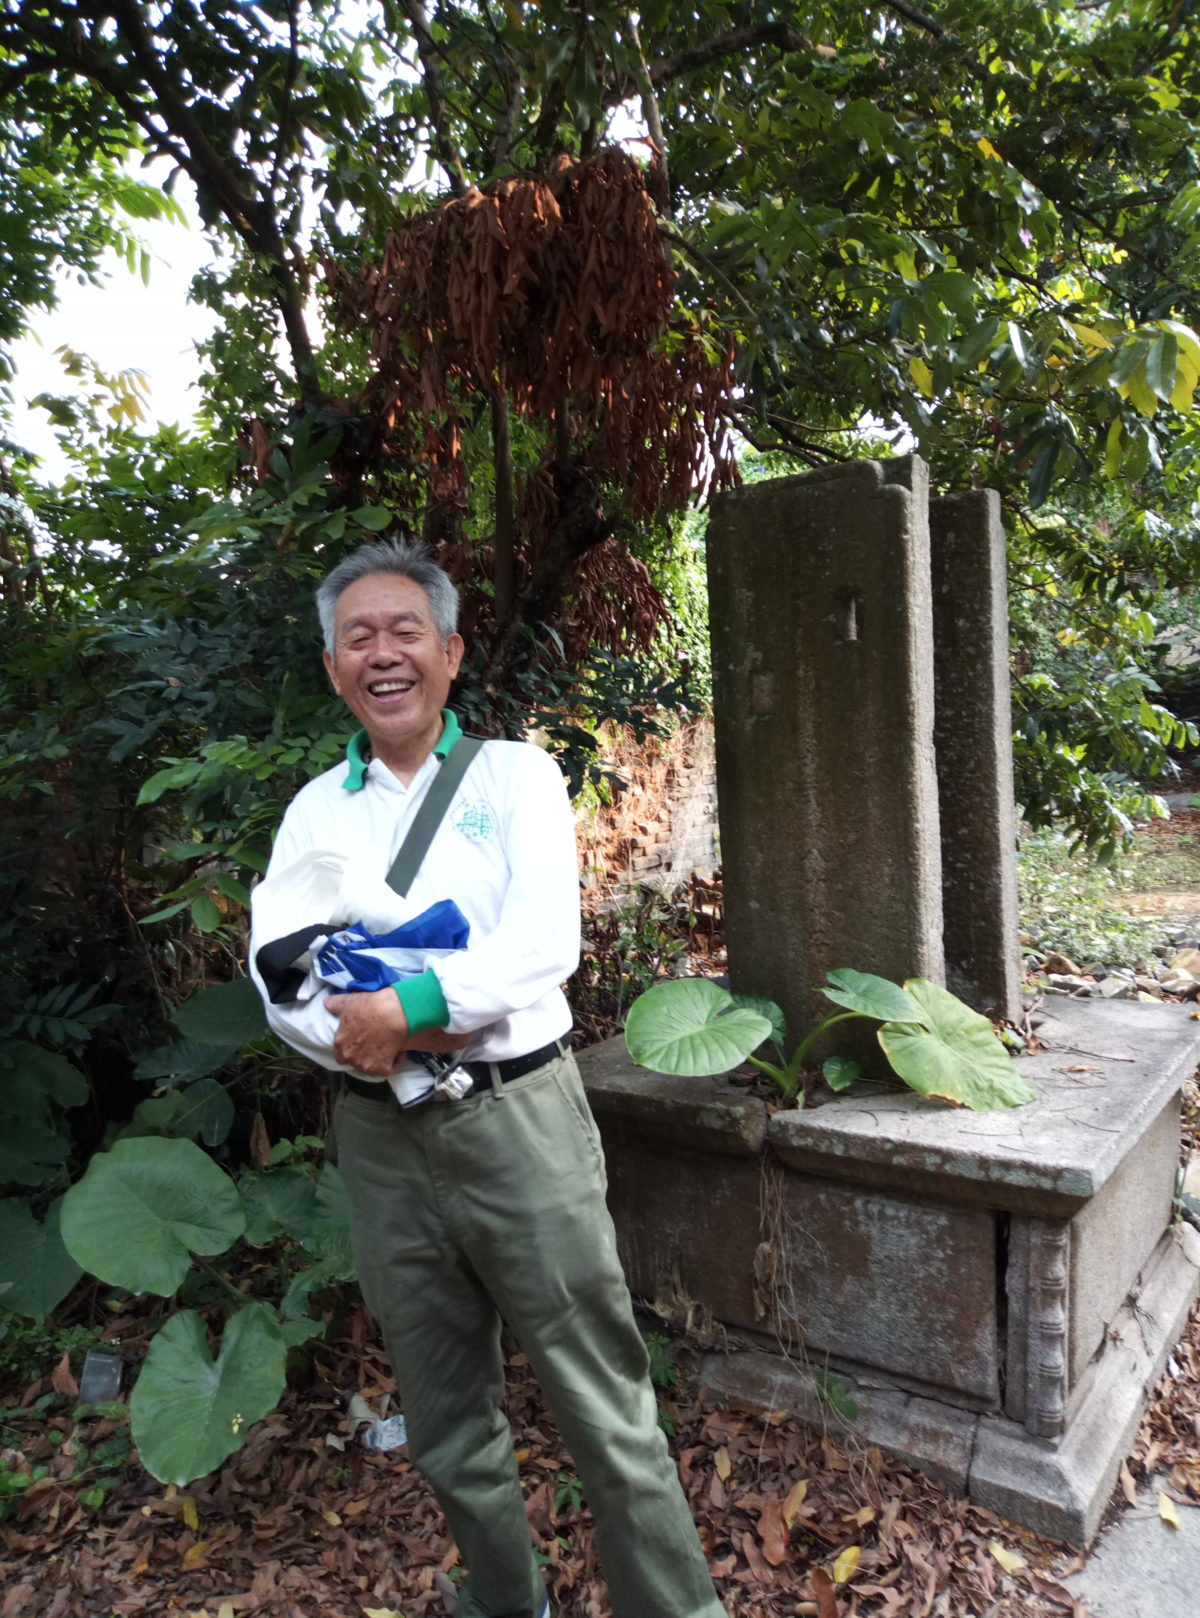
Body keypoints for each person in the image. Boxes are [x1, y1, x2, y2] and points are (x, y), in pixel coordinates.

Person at [249, 540, 727, 1618]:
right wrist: (356, 1042)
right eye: (357, 637)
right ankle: (507, 1604)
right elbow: (276, 972)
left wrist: (406, 1011)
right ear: (333, 667)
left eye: (405, 630)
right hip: (382, 1139)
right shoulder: (314, 812)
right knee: (447, 1413)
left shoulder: (516, 777)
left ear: (451, 650)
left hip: (519, 1121)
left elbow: (542, 946)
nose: (384, 654)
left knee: (604, 1402)